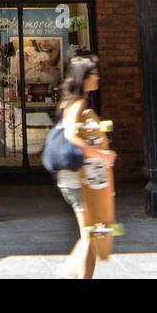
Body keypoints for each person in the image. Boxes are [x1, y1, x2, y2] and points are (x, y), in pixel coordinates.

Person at [54, 54, 117, 280]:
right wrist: (101, 154)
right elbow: (72, 137)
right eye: (94, 74)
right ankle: (70, 272)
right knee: (90, 233)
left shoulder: (74, 102)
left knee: (90, 232)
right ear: (84, 77)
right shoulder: (78, 104)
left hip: (81, 177)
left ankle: (75, 273)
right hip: (77, 178)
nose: (98, 77)